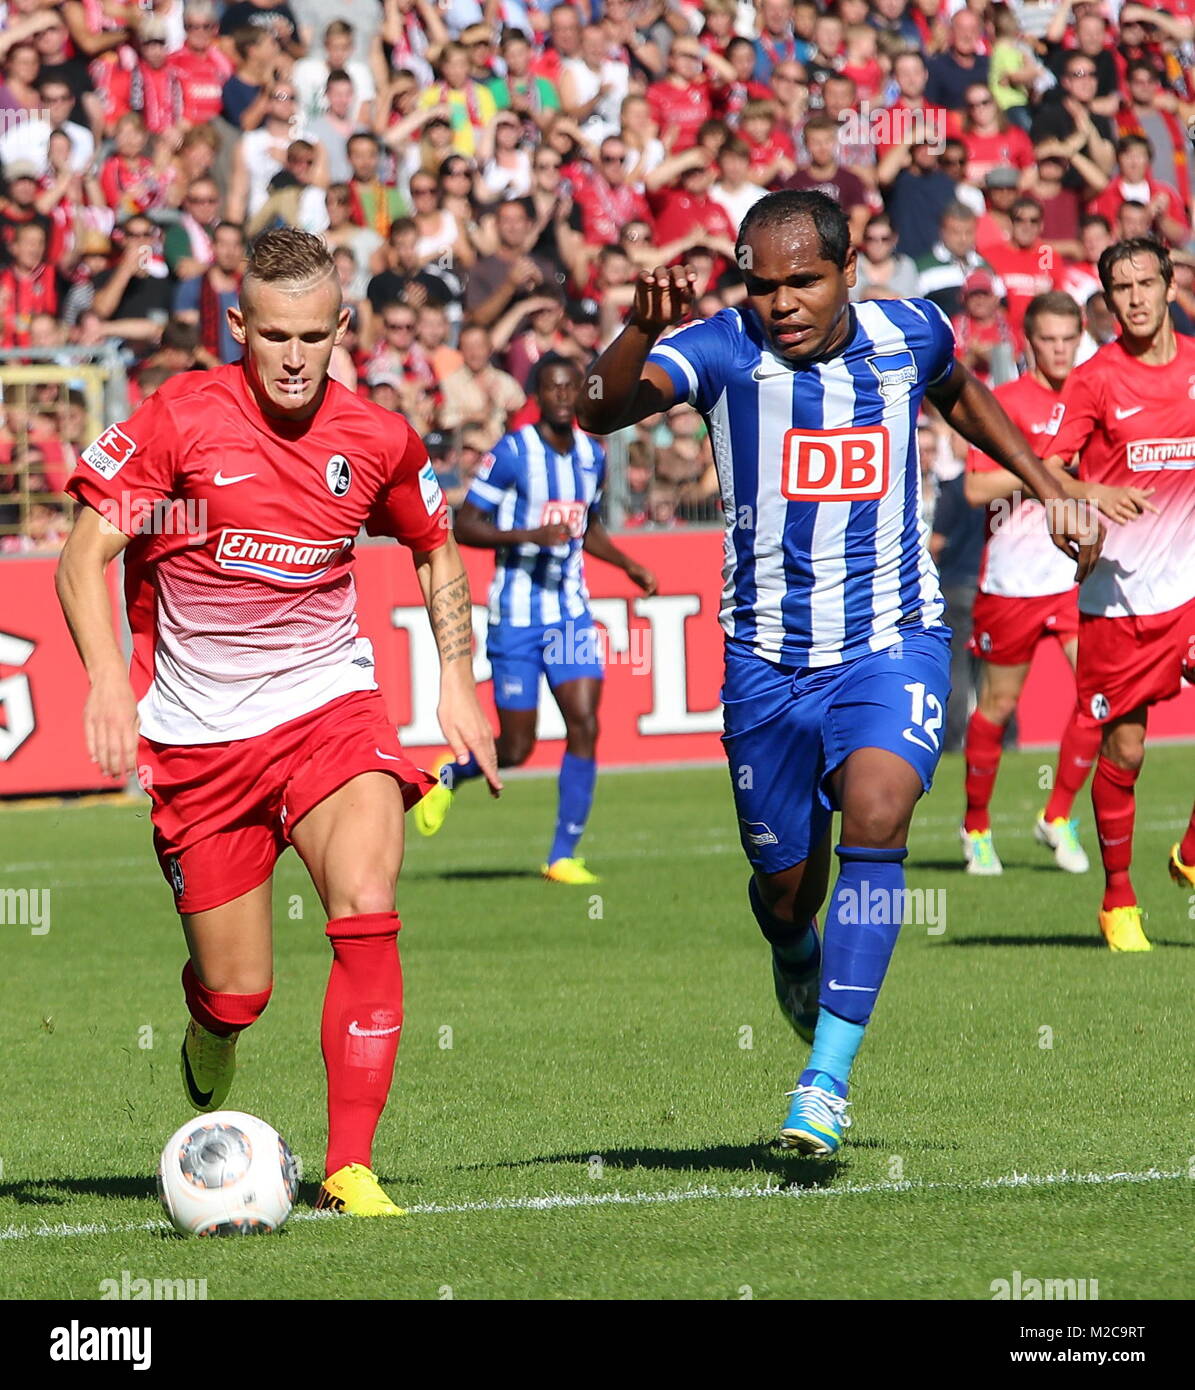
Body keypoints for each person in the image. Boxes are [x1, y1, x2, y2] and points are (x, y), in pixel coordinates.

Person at [574, 189, 1098, 1156]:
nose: (781, 302)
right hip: (765, 663)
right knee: (784, 890)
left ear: (848, 268)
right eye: (761, 284)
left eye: (802, 280)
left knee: (878, 814)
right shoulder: (718, 348)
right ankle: (792, 949)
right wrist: (630, 334)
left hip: (889, 638)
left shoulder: (910, 332)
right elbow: (593, 410)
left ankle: (824, 1079)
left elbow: (959, 391)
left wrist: (1046, 481)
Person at [56, 227, 499, 1217]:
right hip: (200, 741)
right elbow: (81, 558)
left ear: (343, 326)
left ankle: (349, 1168)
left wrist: (455, 679)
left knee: (367, 905)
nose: (295, 358)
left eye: (313, 336)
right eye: (273, 337)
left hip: (328, 712)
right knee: (238, 990)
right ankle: (210, 1027)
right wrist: (107, 683)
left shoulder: (378, 438)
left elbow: (435, 548)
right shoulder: (180, 420)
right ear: (238, 328)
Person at [415, 355, 657, 884]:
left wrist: (628, 563)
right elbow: (468, 525)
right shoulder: (512, 454)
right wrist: (527, 535)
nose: (565, 395)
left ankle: (562, 855)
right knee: (518, 747)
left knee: (586, 724)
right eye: (554, 387)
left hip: (570, 614)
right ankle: (451, 774)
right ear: (538, 396)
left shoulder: (593, 456)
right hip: (517, 616)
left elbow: (585, 528)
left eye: (572, 386)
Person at [960, 290, 1151, 876]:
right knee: (998, 703)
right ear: (1030, 342)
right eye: (1049, 339)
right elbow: (974, 490)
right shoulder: (1008, 401)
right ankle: (977, 827)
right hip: (1014, 580)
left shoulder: (1099, 394)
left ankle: (1058, 814)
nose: (1061, 350)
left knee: (1098, 701)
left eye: (1070, 339)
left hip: (1079, 577)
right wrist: (1045, 472)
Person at [1043, 237, 1195, 951]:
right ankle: (1117, 898)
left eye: (1144, 283)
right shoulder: (1095, 378)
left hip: (1189, 586)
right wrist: (1092, 491)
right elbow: (1046, 468)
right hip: (1120, 600)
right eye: (1119, 289)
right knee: (1126, 750)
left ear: (1169, 286)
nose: (1133, 299)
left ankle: (1190, 852)